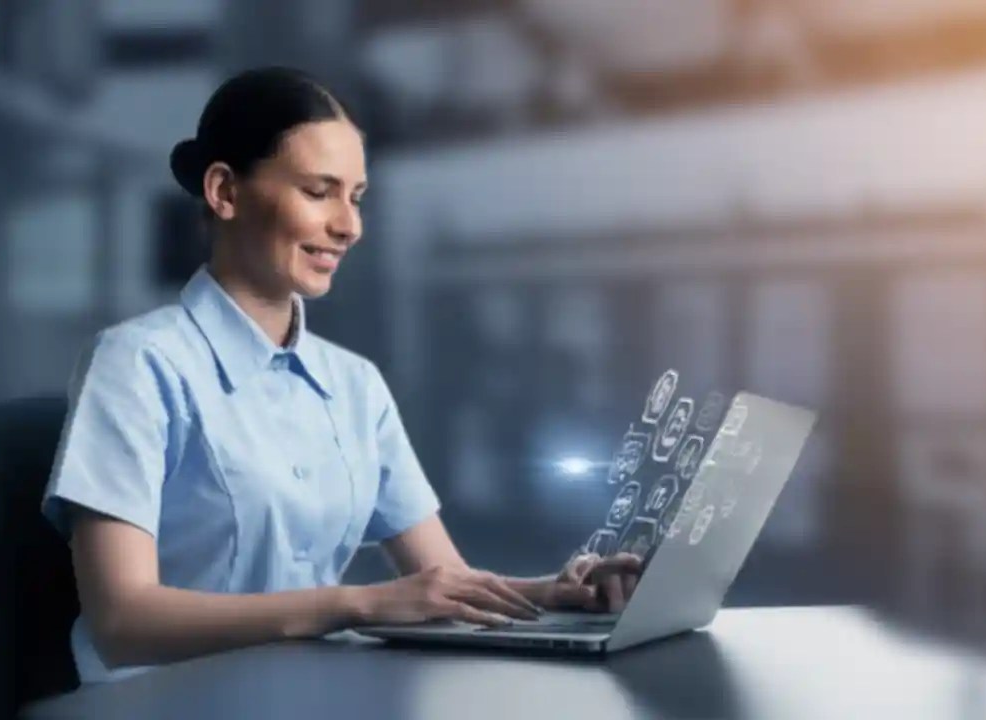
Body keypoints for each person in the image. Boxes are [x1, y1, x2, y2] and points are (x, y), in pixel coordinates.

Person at [41, 67, 642, 684]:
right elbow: (122, 621)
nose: (348, 225)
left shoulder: (355, 385)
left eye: (355, 197)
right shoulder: (137, 364)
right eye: (318, 191)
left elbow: (444, 582)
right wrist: (356, 604)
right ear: (224, 191)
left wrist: (553, 593)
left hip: (307, 694)